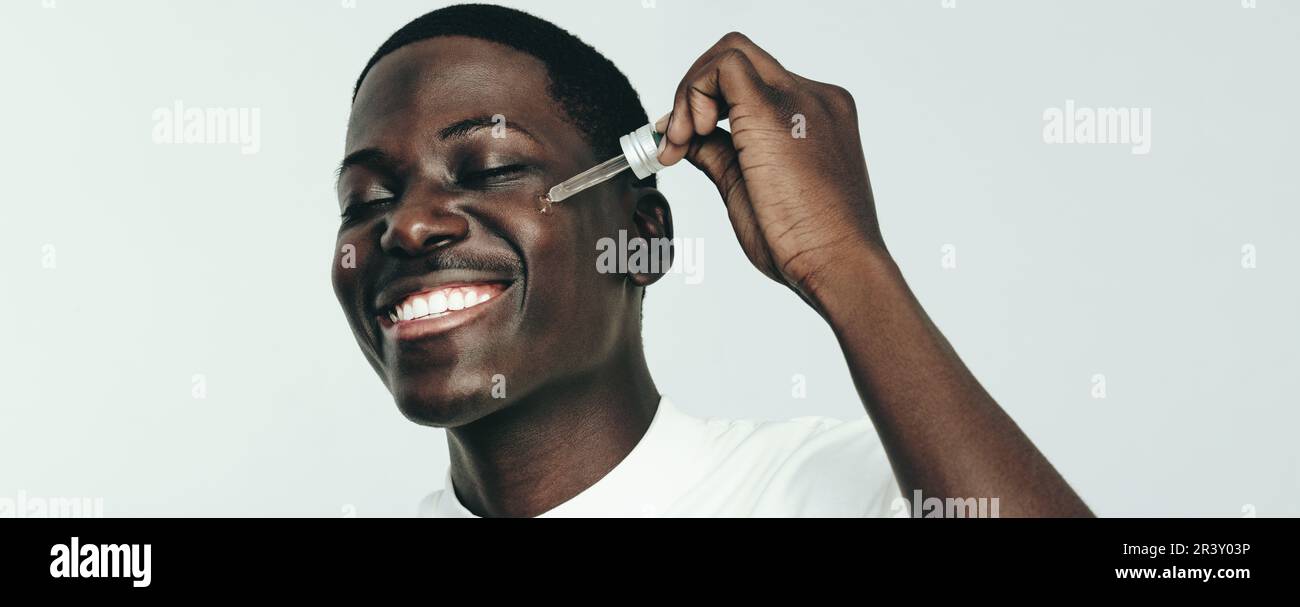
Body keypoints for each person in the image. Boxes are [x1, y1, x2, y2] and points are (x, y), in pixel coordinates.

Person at [331, 3, 1092, 517]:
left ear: (643, 241)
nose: (408, 225)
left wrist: (845, 261)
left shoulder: (843, 491)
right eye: (366, 197)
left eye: (493, 168)